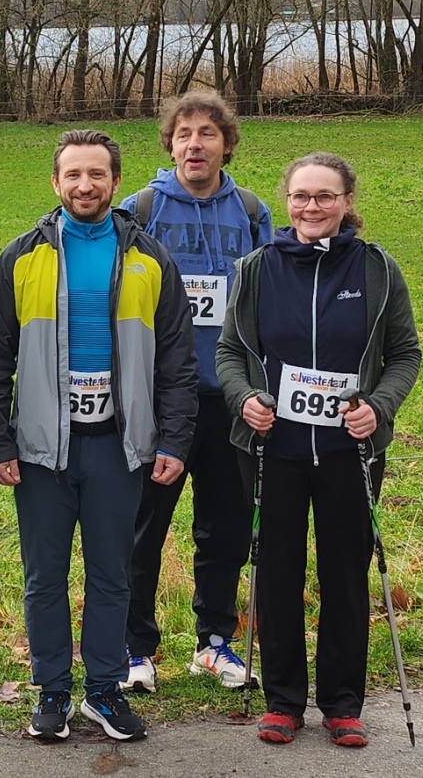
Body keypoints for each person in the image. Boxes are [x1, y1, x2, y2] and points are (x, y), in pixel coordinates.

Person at [0, 130, 198, 743]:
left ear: (116, 182)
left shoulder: (151, 258)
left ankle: (103, 690)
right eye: (73, 175)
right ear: (55, 182)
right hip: (44, 450)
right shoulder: (22, 258)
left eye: (97, 174)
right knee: (44, 577)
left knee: (111, 575)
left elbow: (177, 359)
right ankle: (52, 692)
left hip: (119, 446)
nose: (85, 186)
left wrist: (174, 440)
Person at [215, 151, 421, 748]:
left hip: (348, 452)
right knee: (276, 575)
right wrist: (246, 399)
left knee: (345, 577)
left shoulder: (378, 269)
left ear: (347, 203)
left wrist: (377, 408)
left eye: (325, 197)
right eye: (302, 196)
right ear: (287, 202)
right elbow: (229, 352)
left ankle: (342, 704)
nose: (312, 207)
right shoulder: (257, 268)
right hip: (271, 448)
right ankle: (283, 701)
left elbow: (405, 355)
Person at [115, 91, 272, 693]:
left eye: (208, 133)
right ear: (170, 143)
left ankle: (215, 641)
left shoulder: (253, 211)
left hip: (231, 399)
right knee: (142, 528)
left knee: (225, 529)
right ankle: (135, 649)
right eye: (184, 134)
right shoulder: (141, 208)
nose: (195, 144)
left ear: (226, 144)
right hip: (159, 401)